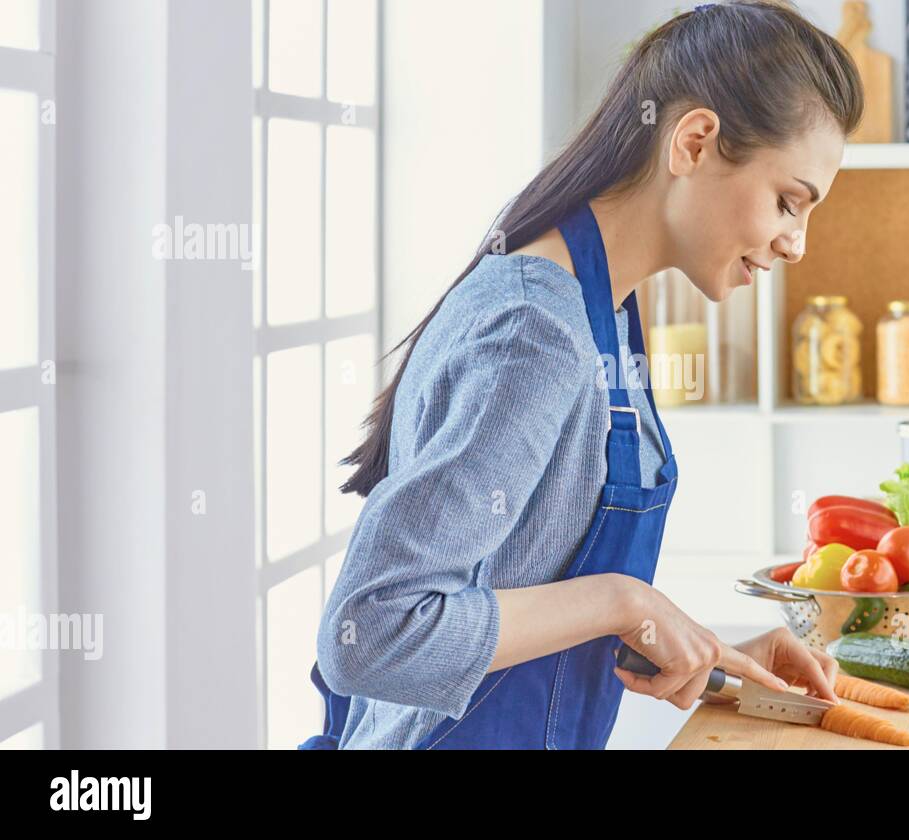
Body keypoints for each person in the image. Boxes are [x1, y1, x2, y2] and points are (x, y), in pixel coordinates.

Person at [304, 0, 864, 750]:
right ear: (695, 142)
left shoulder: (603, 304)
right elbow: (370, 633)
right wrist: (621, 601)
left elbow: (519, 576)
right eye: (789, 202)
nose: (797, 243)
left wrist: (704, 652)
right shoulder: (537, 332)